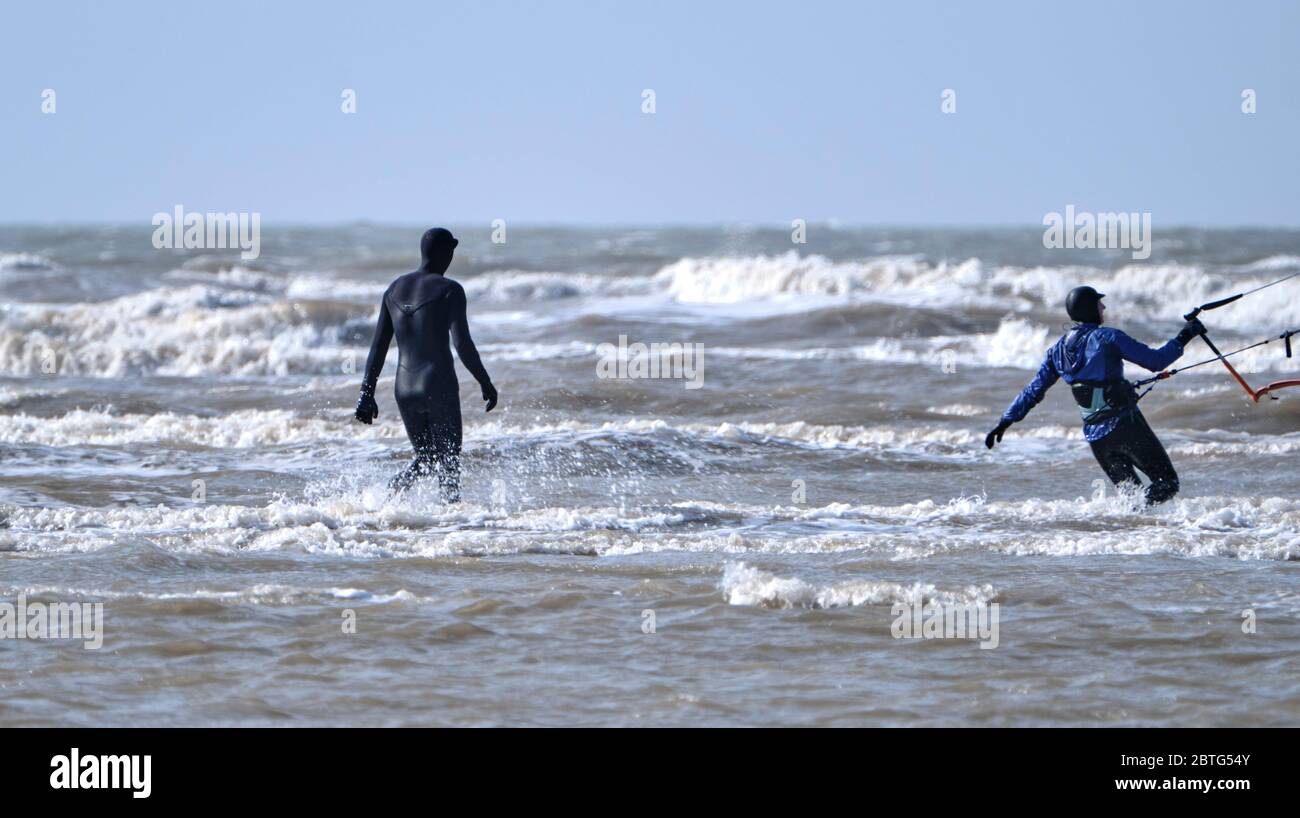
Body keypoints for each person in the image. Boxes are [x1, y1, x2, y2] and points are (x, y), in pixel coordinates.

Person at [984, 285, 1204, 505]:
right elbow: (1156, 361)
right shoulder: (1108, 337)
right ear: (1090, 308)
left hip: (1098, 440)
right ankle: (1143, 527)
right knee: (1167, 483)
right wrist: (1186, 334)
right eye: (1099, 303)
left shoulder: (1056, 351)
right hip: (1126, 426)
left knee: (1133, 501)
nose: (1104, 306)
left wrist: (1005, 420)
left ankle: (1136, 533)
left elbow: (1032, 390)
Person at [354, 228, 498, 501]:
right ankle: (453, 526)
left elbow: (378, 347)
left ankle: (386, 499)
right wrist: (485, 381)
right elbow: (462, 344)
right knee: (449, 464)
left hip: (404, 388)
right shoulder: (450, 290)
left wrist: (366, 393)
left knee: (427, 457)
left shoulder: (394, 288)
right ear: (445, 253)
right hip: (437, 383)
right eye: (451, 250)